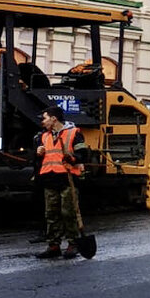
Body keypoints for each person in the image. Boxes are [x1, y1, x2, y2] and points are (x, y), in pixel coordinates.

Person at [34, 105, 90, 260]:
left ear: (54, 118)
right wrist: (38, 153)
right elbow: (41, 158)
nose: (43, 122)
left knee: (68, 212)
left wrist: (72, 158)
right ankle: (54, 245)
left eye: (45, 118)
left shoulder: (74, 133)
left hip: (67, 179)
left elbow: (83, 154)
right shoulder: (43, 136)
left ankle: (73, 244)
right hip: (50, 179)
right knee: (51, 214)